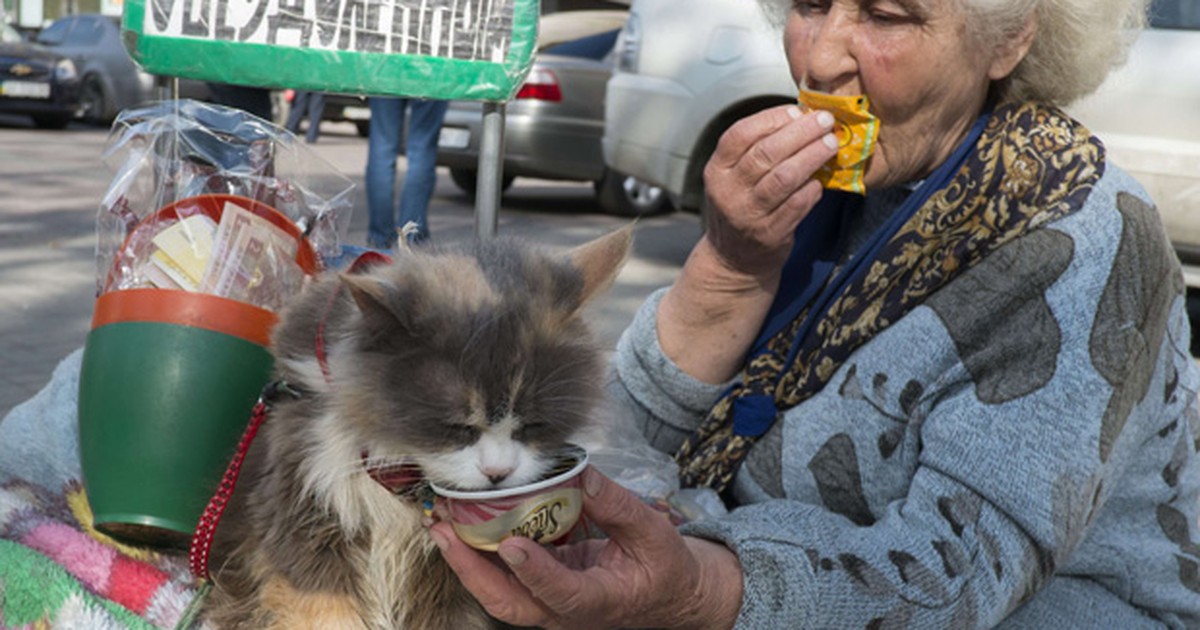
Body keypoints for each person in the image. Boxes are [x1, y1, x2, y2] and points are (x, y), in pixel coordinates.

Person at [430, 0, 1200, 627]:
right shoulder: (816, 194)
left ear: (1009, 39)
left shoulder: (1083, 244)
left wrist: (700, 589)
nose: (821, 59)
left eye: (886, 14)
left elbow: (958, 576)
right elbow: (622, 436)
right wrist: (730, 268)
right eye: (809, 4)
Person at [365, 97, 449, 248]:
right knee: (422, 150)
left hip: (385, 75)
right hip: (431, 76)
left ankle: (379, 239)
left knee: (382, 146)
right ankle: (410, 238)